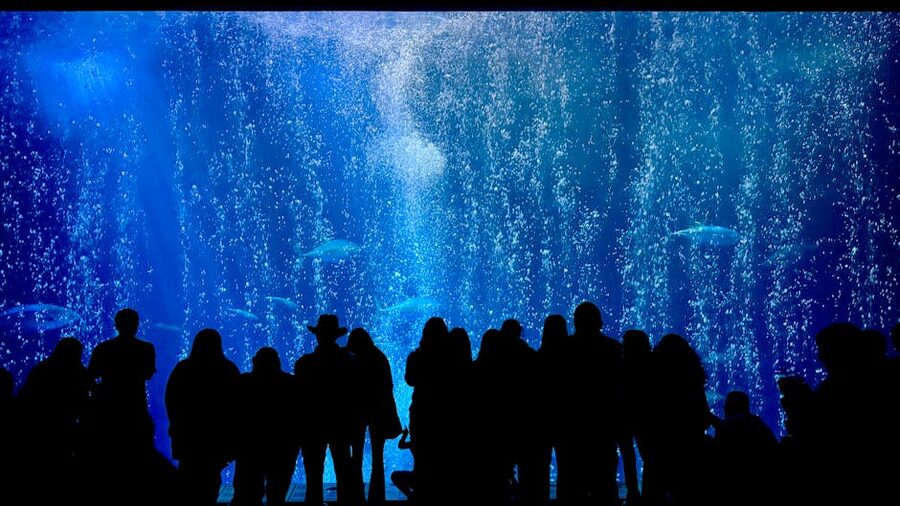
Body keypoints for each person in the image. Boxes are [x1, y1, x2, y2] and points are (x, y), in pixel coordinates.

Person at [85, 307, 173, 506]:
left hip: (107, 406)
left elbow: (90, 376)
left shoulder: (103, 348)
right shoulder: (146, 348)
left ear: (116, 325)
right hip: (134, 405)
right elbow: (148, 374)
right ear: (136, 325)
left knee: (108, 453)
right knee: (137, 453)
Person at [165, 329, 240, 506]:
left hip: (188, 434)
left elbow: (171, 398)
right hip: (216, 436)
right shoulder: (228, 369)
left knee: (187, 473)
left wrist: (175, 424)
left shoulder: (183, 368)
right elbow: (237, 402)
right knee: (212, 475)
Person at [16, 337, 92, 505]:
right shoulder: (77, 371)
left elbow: (26, 398)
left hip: (39, 430)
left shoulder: (41, 369)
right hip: (63, 427)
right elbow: (89, 396)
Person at [295, 314, 360, 505]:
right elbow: (355, 394)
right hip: (341, 423)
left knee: (313, 476)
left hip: (312, 425)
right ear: (336, 336)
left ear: (317, 336)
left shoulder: (304, 363)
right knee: (344, 473)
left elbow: (299, 397)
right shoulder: (350, 361)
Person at [232, 347, 301, 506]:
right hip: (282, 447)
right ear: (277, 363)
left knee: (246, 494)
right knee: (277, 494)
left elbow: (232, 413)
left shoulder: (244, 383)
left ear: (255, 362)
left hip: (250, 446)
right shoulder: (291, 383)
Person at [346, 328, 403, 504]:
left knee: (356, 457)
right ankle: (377, 498)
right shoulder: (380, 357)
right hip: (379, 413)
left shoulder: (354, 361)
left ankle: (356, 497)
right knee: (378, 458)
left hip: (358, 413)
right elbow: (388, 386)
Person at [714, 391, 778, 506]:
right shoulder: (757, 422)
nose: (724, 407)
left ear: (731, 406)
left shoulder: (727, 426)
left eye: (726, 404)